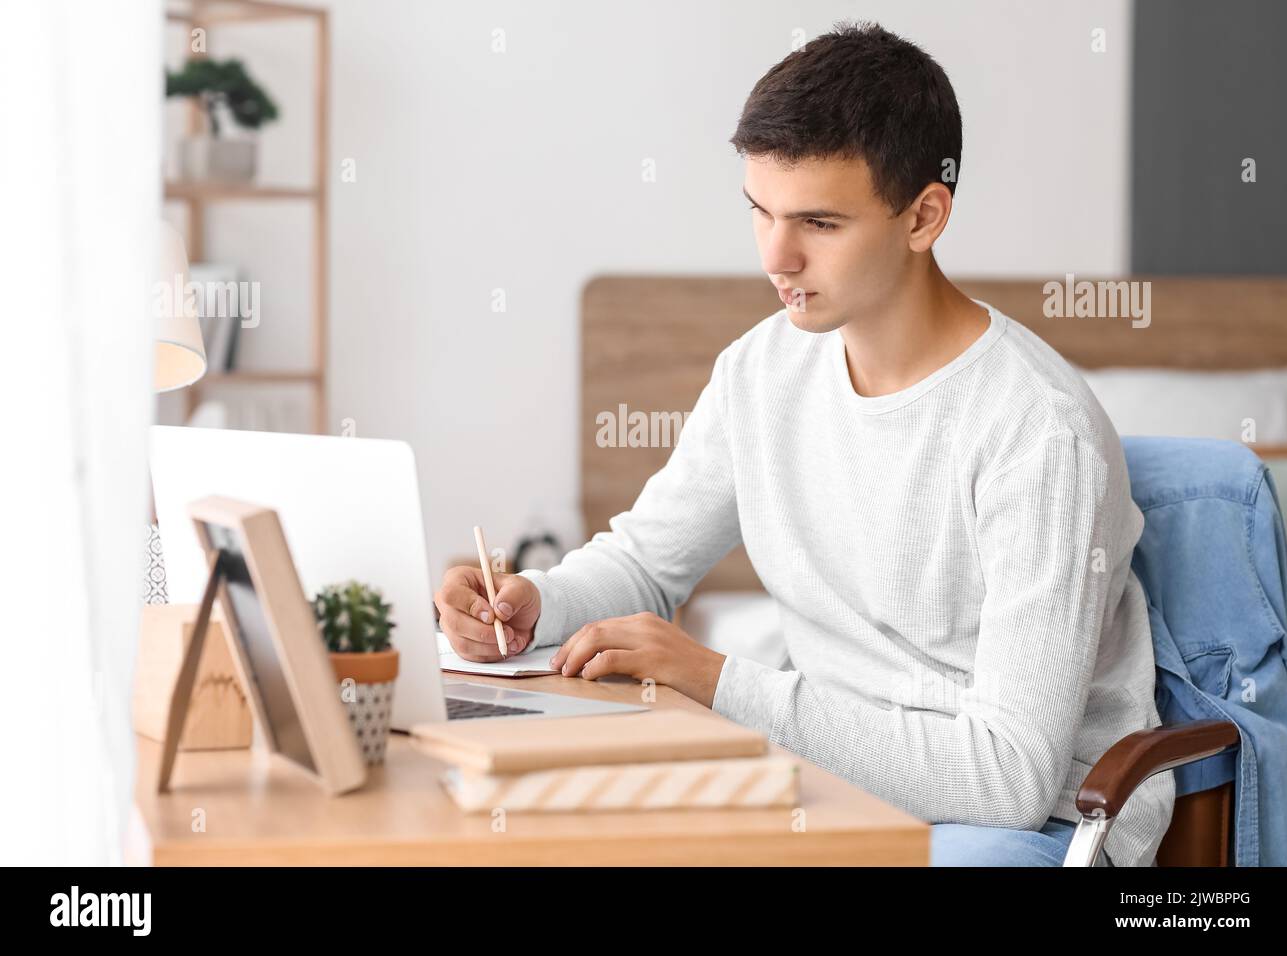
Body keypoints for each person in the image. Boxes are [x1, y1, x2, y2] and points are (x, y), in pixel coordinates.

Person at [434, 21, 1173, 867]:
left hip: (1028, 822)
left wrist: (714, 680)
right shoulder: (761, 370)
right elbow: (645, 565)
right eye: (760, 212)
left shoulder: (1038, 433)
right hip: (823, 778)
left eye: (819, 222)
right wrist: (536, 601)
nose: (777, 257)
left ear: (924, 215)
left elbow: (1006, 775)